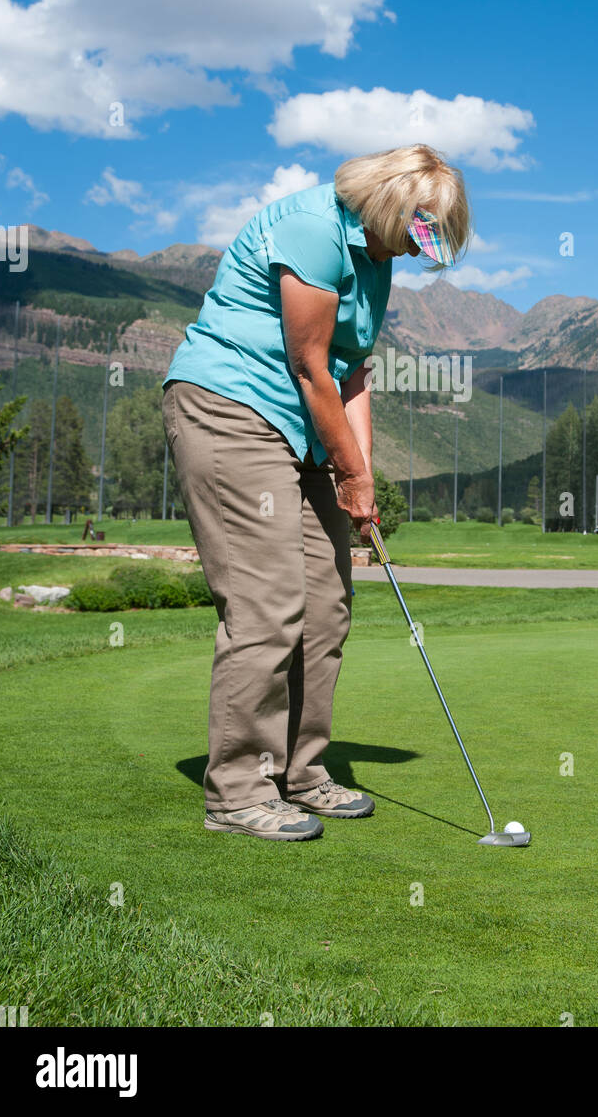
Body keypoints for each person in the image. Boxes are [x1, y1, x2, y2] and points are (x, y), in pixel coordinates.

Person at [162, 145, 471, 842]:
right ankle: (238, 792)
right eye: (423, 228)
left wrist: (356, 472)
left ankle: (299, 772)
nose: (427, 249)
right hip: (232, 408)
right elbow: (307, 364)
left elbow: (350, 369)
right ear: (393, 206)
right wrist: (351, 472)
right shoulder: (311, 227)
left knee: (326, 605)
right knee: (266, 602)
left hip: (306, 429)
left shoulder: (378, 260)